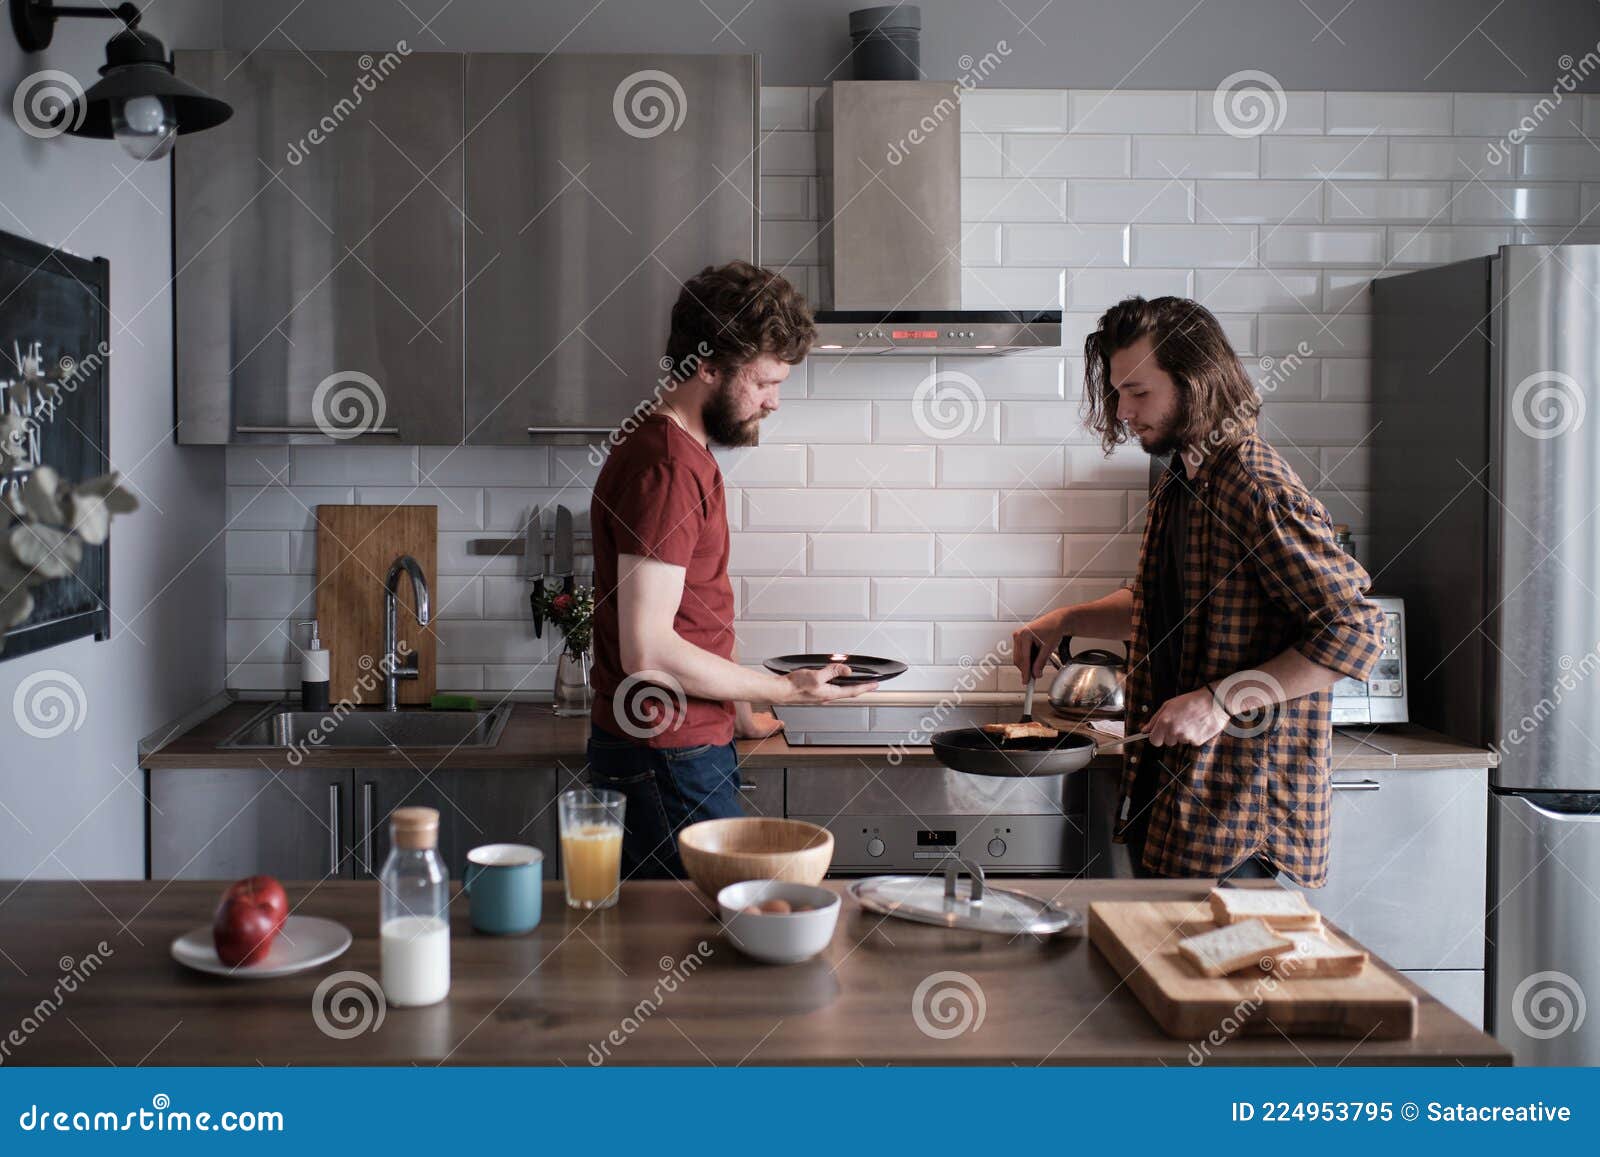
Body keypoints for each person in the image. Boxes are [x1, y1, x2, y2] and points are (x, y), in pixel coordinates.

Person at [1012, 296, 1384, 887]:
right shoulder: (1183, 480)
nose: (1124, 410)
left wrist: (1218, 701)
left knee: (1226, 980)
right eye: (1117, 393)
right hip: (1178, 809)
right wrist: (1061, 620)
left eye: (1139, 392)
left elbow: (1356, 632)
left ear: (1197, 382)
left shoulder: (1253, 485)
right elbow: (1163, 608)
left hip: (1242, 822)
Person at [587, 260, 876, 879]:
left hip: (685, 743)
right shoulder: (665, 467)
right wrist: (786, 687)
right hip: (667, 751)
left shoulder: (682, 455)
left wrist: (742, 712)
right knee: (694, 940)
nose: (774, 401)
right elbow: (649, 651)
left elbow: (697, 610)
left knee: (696, 936)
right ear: (708, 366)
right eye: (765, 381)